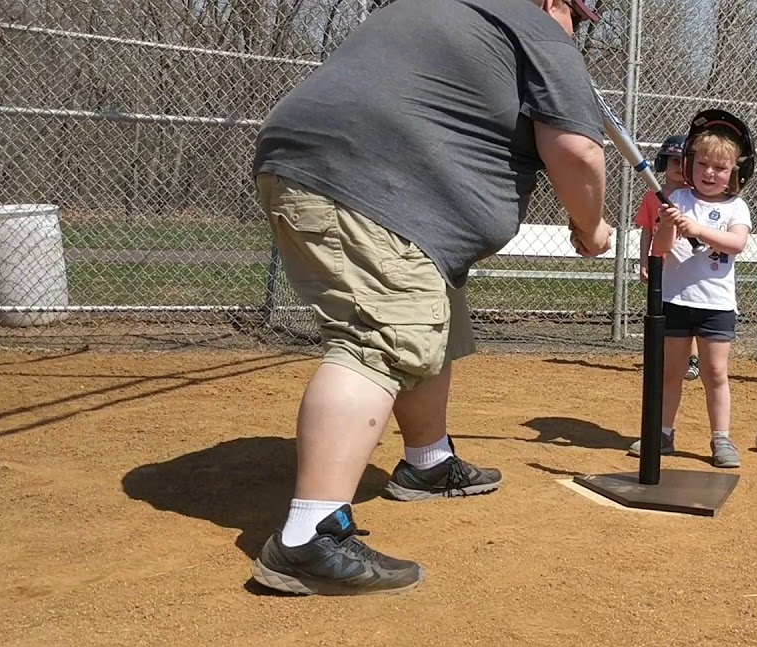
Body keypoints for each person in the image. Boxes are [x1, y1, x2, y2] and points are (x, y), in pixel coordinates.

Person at [247, 0, 613, 597]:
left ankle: (428, 462)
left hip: (330, 167)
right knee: (381, 339)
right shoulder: (537, 28)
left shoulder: (444, 7)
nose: (577, 30)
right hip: (367, 182)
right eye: (578, 15)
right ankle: (309, 537)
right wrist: (591, 228)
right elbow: (578, 151)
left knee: (431, 312)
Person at [627, 109, 756, 468]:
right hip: (676, 300)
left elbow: (737, 243)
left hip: (716, 304)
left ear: (735, 173)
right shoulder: (678, 201)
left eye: (720, 168)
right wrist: (669, 224)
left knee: (715, 374)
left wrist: (698, 230)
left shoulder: (737, 207)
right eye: (702, 165)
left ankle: (721, 438)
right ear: (689, 165)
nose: (709, 173)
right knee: (671, 372)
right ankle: (663, 433)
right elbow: (660, 250)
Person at [634, 134, 700, 381]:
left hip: (685, 265)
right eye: (673, 161)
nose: (678, 167)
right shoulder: (652, 197)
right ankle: (661, 357)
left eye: (683, 162)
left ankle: (692, 359)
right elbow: (646, 232)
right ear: (663, 162)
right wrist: (644, 260)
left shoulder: (695, 197)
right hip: (660, 262)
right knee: (660, 311)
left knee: (688, 311)